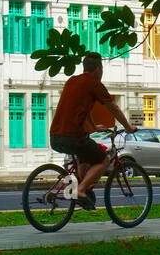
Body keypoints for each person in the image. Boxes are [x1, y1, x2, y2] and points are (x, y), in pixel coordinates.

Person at [49, 53, 136, 209]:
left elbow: (82, 106)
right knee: (104, 160)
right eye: (102, 70)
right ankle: (81, 190)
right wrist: (128, 127)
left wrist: (94, 126)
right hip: (73, 136)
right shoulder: (94, 83)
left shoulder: (72, 81)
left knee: (84, 158)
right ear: (98, 69)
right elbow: (113, 108)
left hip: (55, 136)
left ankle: (77, 191)